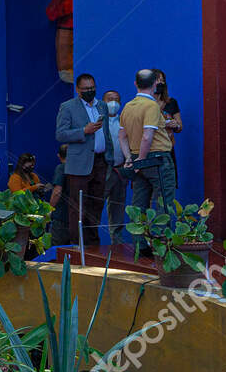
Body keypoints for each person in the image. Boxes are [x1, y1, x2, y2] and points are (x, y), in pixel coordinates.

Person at [119, 69, 176, 256]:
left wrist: (130, 158)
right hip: (156, 158)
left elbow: (122, 136)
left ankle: (140, 245)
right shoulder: (151, 106)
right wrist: (142, 160)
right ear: (155, 85)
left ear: (135, 84)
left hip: (136, 157)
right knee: (163, 203)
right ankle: (161, 248)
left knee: (139, 204)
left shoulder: (128, 106)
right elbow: (147, 136)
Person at [54, 72, 112, 247]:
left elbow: (106, 133)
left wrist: (110, 156)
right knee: (78, 206)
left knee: (96, 204)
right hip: (79, 164)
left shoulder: (102, 106)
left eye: (92, 88)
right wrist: (83, 131)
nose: (90, 91)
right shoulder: (68, 107)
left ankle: (93, 243)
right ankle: (77, 244)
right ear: (78, 90)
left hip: (100, 161)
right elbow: (60, 134)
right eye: (86, 89)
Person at [101, 89, 128, 245]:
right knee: (96, 205)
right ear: (103, 101)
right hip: (103, 170)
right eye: (110, 99)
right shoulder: (98, 122)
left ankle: (116, 244)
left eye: (117, 100)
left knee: (117, 208)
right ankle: (90, 244)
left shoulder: (123, 122)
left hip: (120, 170)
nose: (113, 103)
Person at [152, 67, 182, 188]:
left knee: (167, 188)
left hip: (167, 150)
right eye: (156, 80)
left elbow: (180, 127)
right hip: (150, 150)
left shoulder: (171, 102)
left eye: (162, 80)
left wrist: (175, 125)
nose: (160, 83)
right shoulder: (144, 103)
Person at [48, 145, 69, 243]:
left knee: (57, 249)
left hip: (60, 218)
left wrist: (49, 209)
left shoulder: (61, 168)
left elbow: (57, 192)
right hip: (75, 217)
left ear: (58, 156)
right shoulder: (81, 169)